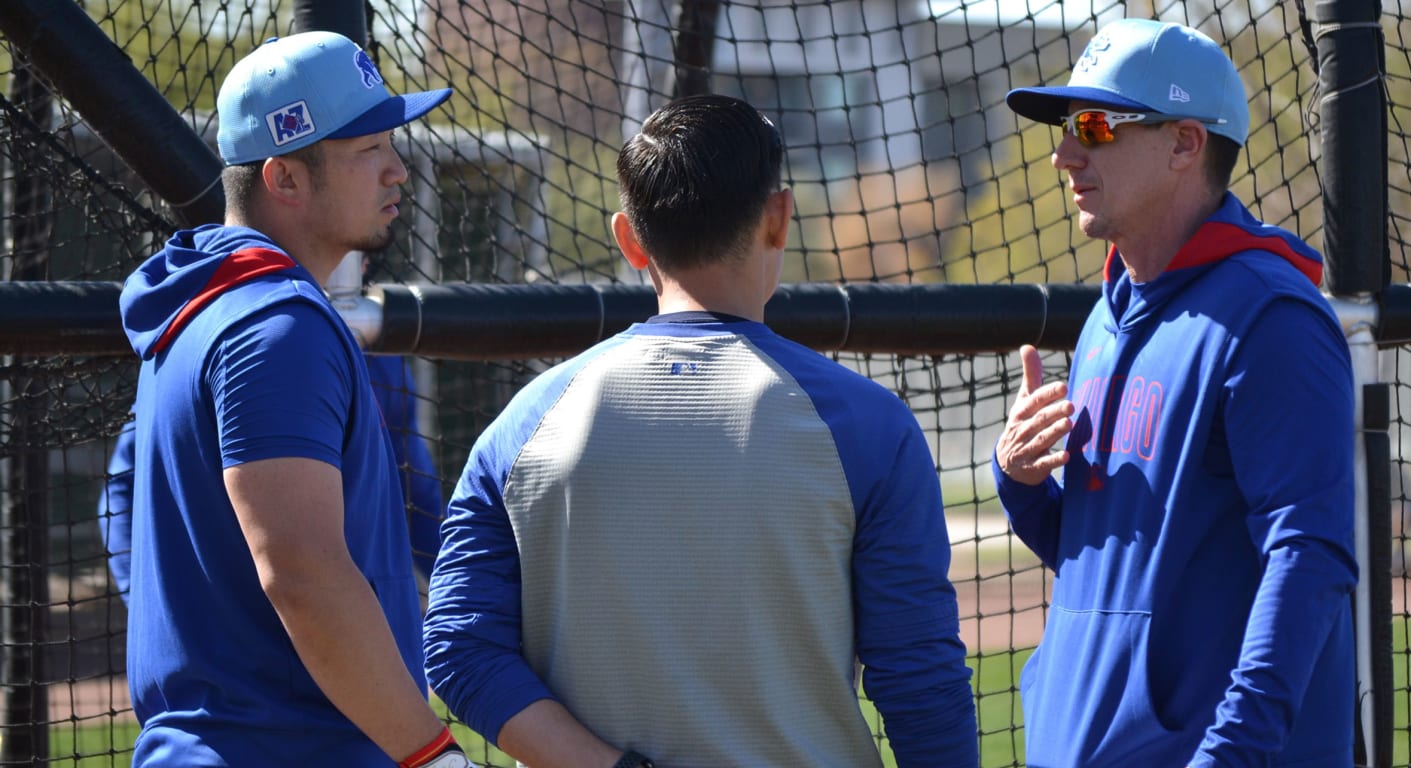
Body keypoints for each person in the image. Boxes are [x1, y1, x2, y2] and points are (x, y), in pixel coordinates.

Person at [422, 94, 979, 767]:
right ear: (779, 219)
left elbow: (458, 646)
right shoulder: (868, 425)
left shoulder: (523, 424)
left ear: (629, 240)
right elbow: (918, 680)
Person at [993, 18, 1358, 768]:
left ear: (1186, 143)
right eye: (1066, 127)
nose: (1065, 152)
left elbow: (1311, 559)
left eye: (1093, 125)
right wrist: (1020, 483)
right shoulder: (1107, 316)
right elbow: (1109, 563)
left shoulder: (1272, 318)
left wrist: (1232, 755)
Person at [117, 31, 473, 767]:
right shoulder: (274, 327)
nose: (398, 171)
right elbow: (304, 574)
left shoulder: (205, 309)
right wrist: (433, 755)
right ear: (284, 178)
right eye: (367, 150)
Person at [97, 353, 444, 596]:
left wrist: (457, 594)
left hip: (356, 618)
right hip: (234, 630)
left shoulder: (380, 357)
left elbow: (417, 495)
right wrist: (147, 602)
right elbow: (123, 489)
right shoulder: (228, 338)